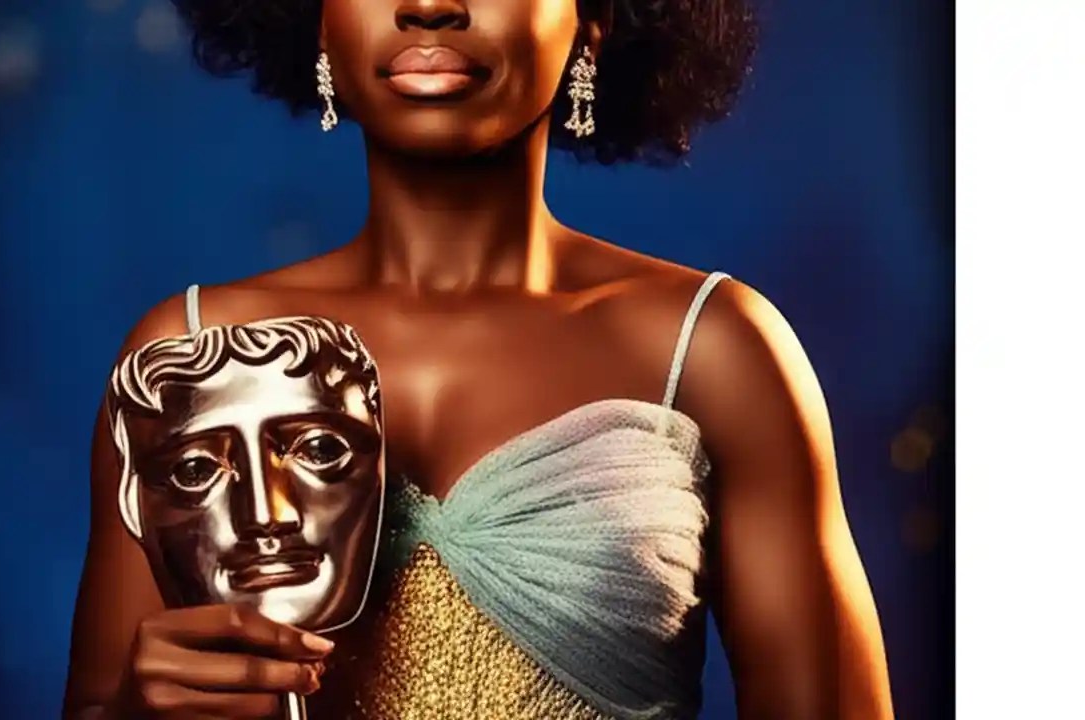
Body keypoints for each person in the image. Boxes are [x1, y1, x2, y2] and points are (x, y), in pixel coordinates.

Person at [62, 0, 894, 717]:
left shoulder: (710, 348)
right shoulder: (186, 355)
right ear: (317, 20)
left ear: (594, 21)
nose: (428, 4)